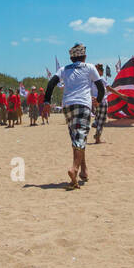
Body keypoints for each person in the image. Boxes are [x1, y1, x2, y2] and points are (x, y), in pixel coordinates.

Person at [45, 44, 107, 189]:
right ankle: (74, 168)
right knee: (80, 136)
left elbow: (51, 83)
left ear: (72, 57)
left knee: (77, 137)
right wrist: (98, 101)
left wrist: (47, 101)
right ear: (84, 56)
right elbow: (100, 87)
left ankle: (83, 172)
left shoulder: (64, 69)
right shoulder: (89, 67)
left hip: (67, 106)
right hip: (82, 105)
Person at [89, 65, 109, 141]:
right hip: (102, 101)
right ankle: (97, 137)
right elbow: (109, 88)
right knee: (102, 119)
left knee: (98, 116)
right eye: (102, 70)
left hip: (95, 102)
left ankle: (95, 122)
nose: (103, 71)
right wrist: (120, 94)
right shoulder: (101, 79)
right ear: (100, 71)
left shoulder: (92, 81)